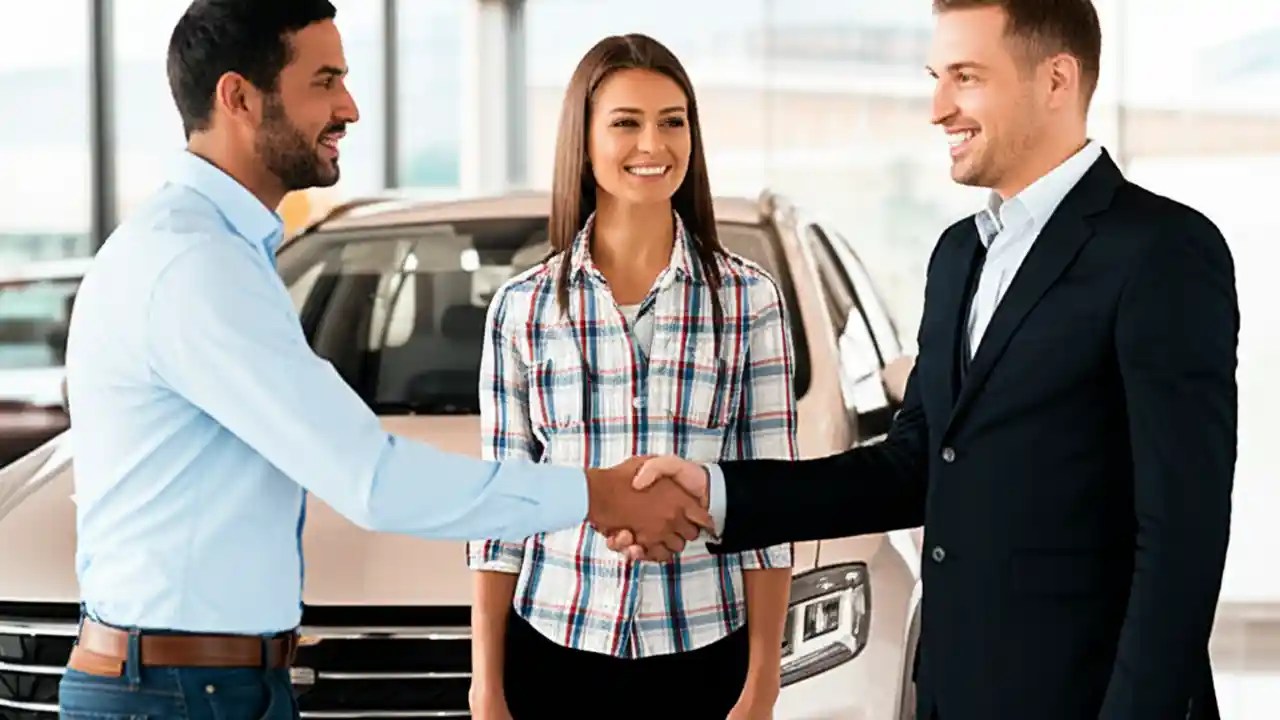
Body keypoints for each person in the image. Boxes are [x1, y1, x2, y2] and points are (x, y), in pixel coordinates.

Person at [58, 3, 709, 718]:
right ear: (239, 98)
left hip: (205, 683)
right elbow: (374, 478)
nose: (350, 108)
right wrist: (598, 493)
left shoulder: (211, 250)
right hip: (179, 695)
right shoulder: (194, 265)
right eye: (325, 82)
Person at [612, 1, 1239, 719]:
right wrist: (716, 493)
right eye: (936, 77)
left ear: (1057, 80)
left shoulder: (1161, 251)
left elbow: (1182, 539)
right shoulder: (959, 255)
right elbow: (913, 466)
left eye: (965, 77)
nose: (939, 108)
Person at [466, 33, 798, 720]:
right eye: (626, 123)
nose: (655, 144)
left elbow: (772, 502)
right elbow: (501, 508)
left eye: (673, 121)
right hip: (553, 647)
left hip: (708, 651)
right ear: (583, 141)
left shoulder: (750, 301)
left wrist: (761, 685)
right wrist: (486, 686)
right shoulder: (523, 308)